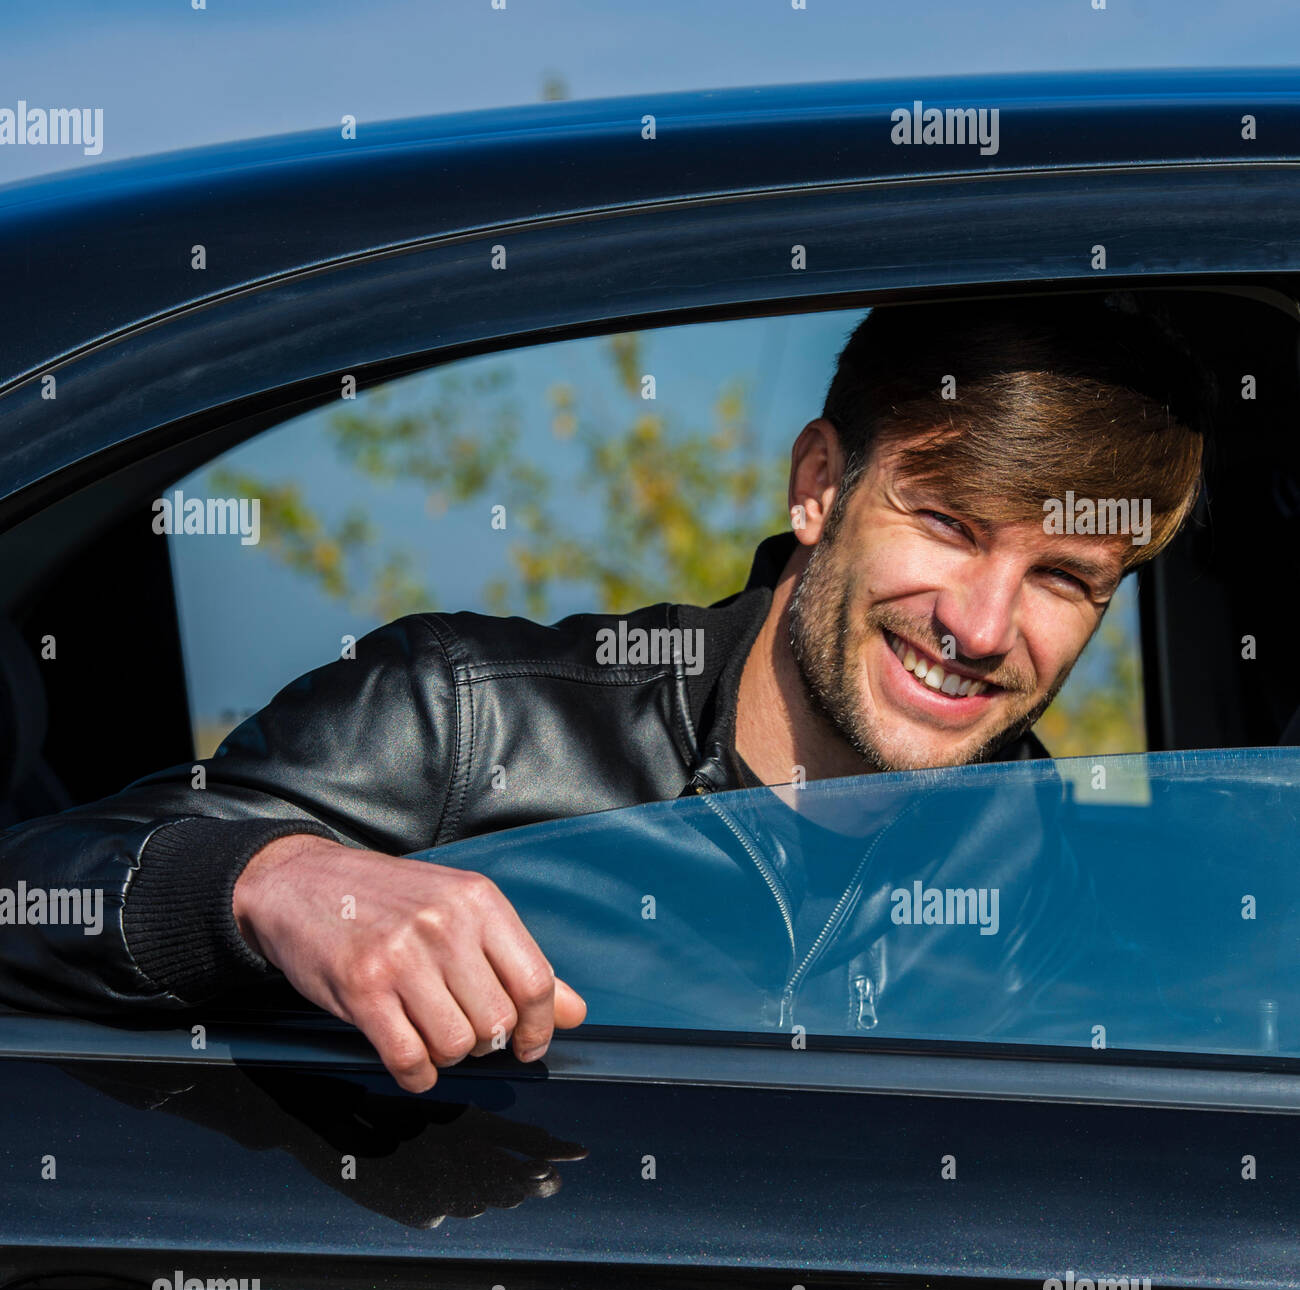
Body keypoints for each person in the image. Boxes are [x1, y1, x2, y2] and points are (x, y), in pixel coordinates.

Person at [0, 295, 1209, 1090]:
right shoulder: (468, 717)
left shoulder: (1045, 859)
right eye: (945, 525)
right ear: (818, 486)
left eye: (1063, 578)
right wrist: (262, 882)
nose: (982, 625)